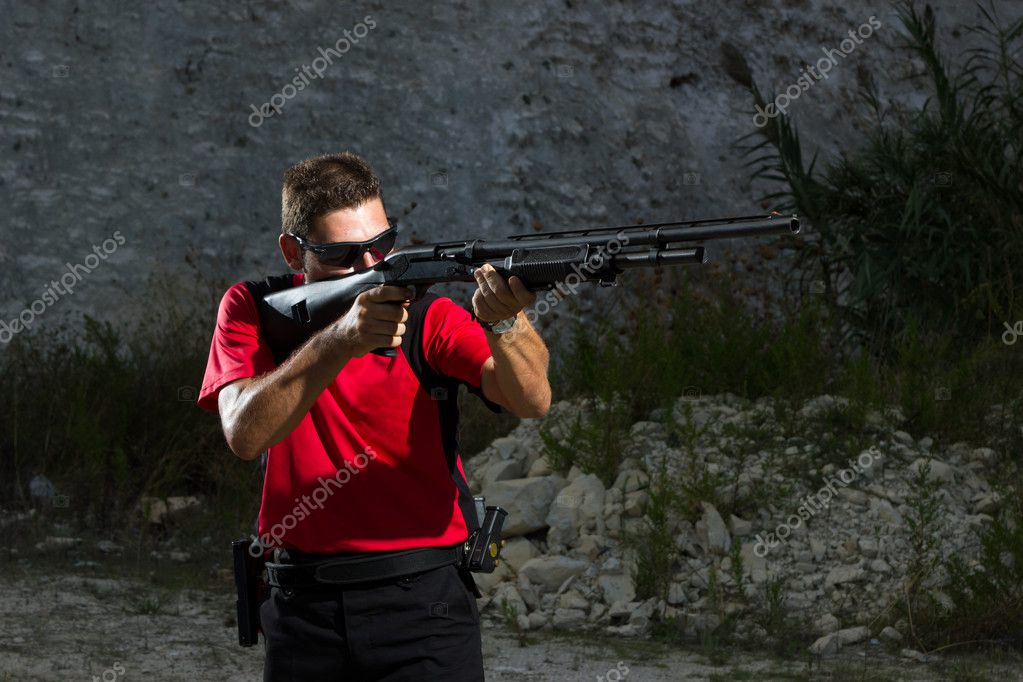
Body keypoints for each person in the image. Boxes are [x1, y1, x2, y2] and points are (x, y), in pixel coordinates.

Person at [197, 151, 551, 681]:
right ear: (295, 251)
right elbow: (244, 435)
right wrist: (338, 341)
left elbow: (531, 400)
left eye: (382, 245)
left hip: (423, 604)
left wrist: (508, 324)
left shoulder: (428, 317)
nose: (372, 267)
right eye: (344, 255)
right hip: (303, 607)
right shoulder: (252, 307)